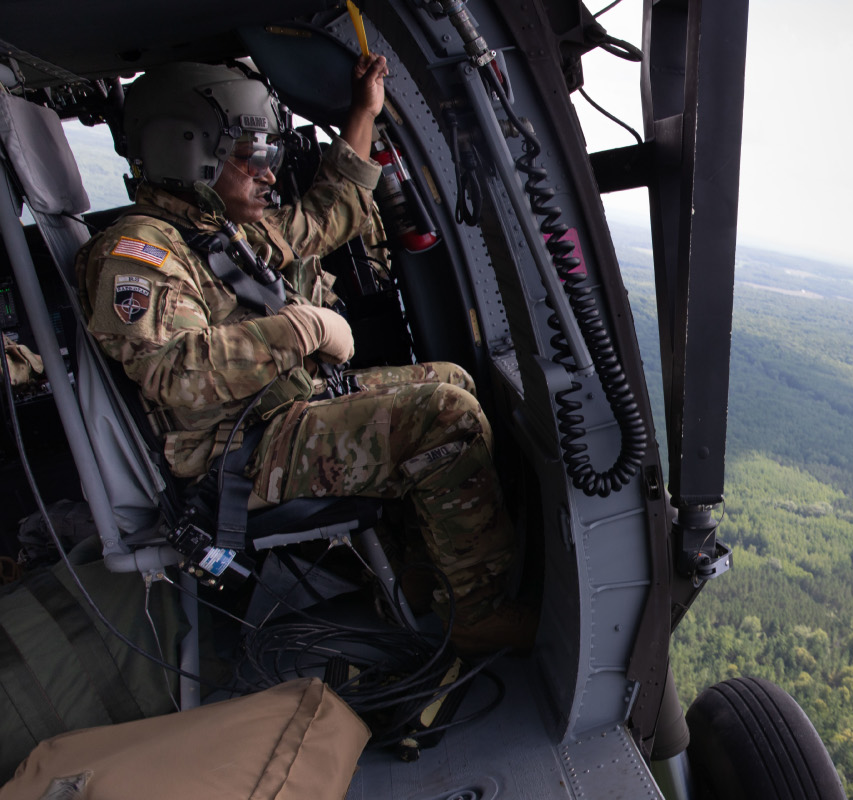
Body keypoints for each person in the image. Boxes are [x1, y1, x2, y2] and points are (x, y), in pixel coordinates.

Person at [74, 55, 524, 654]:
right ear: (189, 150)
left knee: (452, 377)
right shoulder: (136, 251)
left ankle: (421, 576)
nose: (268, 175)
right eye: (252, 155)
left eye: (271, 155)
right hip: (235, 454)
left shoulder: (213, 232)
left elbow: (324, 215)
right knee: (448, 416)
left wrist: (363, 112)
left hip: (274, 416)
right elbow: (176, 374)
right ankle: (474, 613)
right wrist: (303, 330)